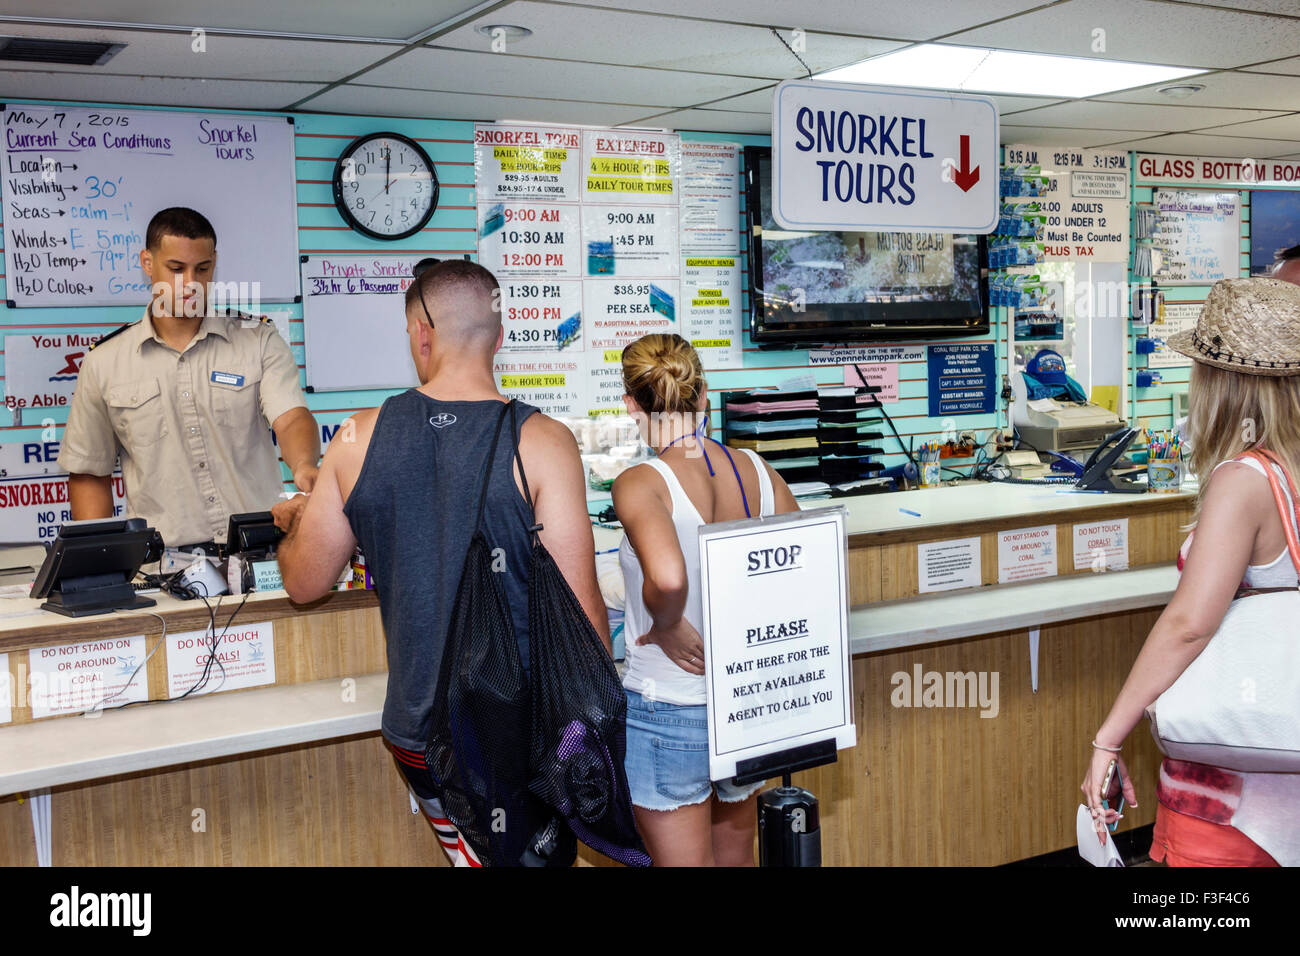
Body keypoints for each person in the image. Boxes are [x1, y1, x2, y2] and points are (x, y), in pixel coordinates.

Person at [272, 258, 607, 867]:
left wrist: (293, 526)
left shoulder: (356, 438)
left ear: (420, 334)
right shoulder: (544, 442)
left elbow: (304, 581)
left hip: (420, 729)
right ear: (499, 336)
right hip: (520, 728)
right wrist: (582, 739)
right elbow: (584, 626)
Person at [1081, 277, 1300, 867]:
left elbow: (1189, 625)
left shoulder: (1246, 480)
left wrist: (1108, 737)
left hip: (1234, 794)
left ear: (1223, 382)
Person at [613, 333, 800, 867]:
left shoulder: (640, 483)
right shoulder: (759, 470)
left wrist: (668, 621)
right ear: (704, 396)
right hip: (744, 702)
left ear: (631, 403)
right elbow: (801, 570)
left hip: (669, 710)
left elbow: (669, 577)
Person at [58, 207, 319, 550]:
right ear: (147, 263)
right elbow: (90, 473)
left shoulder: (258, 340)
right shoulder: (104, 362)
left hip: (259, 551)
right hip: (161, 564)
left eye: (203, 269)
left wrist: (303, 465)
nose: (190, 284)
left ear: (215, 263)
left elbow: (291, 418)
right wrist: (99, 565)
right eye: (176, 269)